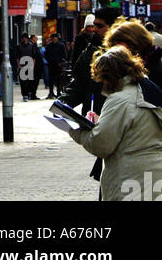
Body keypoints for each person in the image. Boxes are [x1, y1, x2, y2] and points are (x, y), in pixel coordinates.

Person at [66, 45, 162, 201]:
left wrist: (75, 130)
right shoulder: (148, 89)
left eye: (102, 79)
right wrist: (101, 122)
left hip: (130, 179)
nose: (102, 85)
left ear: (110, 77)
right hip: (155, 175)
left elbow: (101, 144)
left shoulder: (119, 100)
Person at [61, 8, 117, 116]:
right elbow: (79, 84)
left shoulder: (126, 54)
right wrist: (63, 103)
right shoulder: (89, 52)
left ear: (113, 28)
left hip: (115, 119)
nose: (94, 29)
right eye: (94, 25)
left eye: (100, 26)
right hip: (91, 118)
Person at [44, 32, 67, 99]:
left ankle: (58, 92)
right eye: (53, 38)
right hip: (51, 65)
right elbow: (46, 55)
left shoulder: (61, 45)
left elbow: (64, 55)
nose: (54, 39)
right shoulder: (49, 46)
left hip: (59, 65)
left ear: (57, 38)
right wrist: (49, 61)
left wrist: (61, 62)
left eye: (55, 38)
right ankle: (51, 92)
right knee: (51, 79)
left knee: (59, 79)